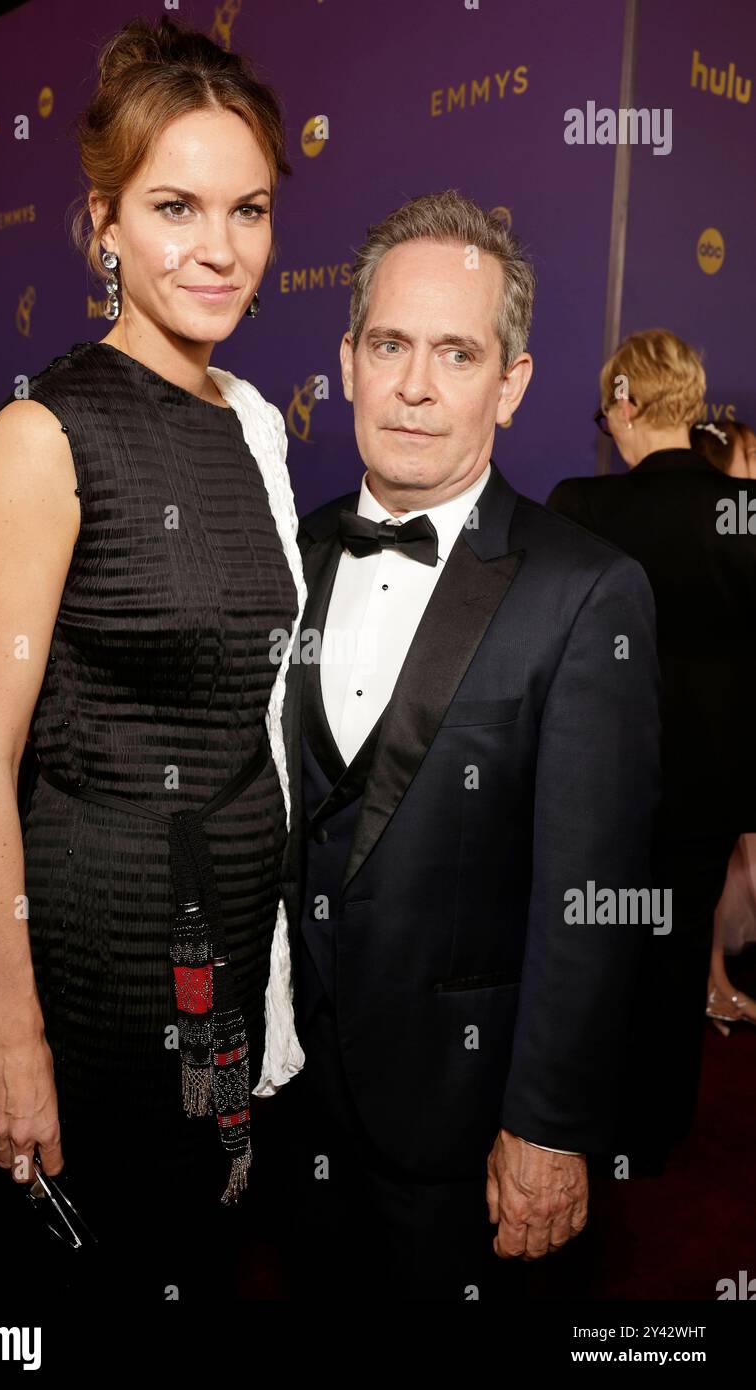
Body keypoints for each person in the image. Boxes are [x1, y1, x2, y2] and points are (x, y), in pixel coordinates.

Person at [0, 16, 306, 1303]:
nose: (218, 248)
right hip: (100, 952)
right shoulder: (45, 436)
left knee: (201, 1241)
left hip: (226, 938)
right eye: (174, 206)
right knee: (96, 1259)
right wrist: (11, 1036)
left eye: (248, 209)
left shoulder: (250, 424)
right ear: (103, 221)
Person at [276, 191, 662, 1301]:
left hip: (465, 1126)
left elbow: (591, 895)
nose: (412, 386)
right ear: (345, 360)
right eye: (388, 344)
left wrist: (546, 1123)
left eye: (455, 352)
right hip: (294, 1097)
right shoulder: (289, 551)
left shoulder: (585, 589)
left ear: (511, 382)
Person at [547, 330, 756, 1161]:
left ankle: (577, 1120)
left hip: (599, 780)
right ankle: (657, 1129)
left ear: (628, 403)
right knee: (674, 958)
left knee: (590, 952)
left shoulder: (582, 508)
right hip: (710, 788)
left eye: (610, 409)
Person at [689, 418, 756, 1026]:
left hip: (734, 720)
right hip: (719, 728)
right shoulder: (716, 530)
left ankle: (715, 984)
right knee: (715, 865)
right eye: (751, 455)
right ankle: (710, 986)